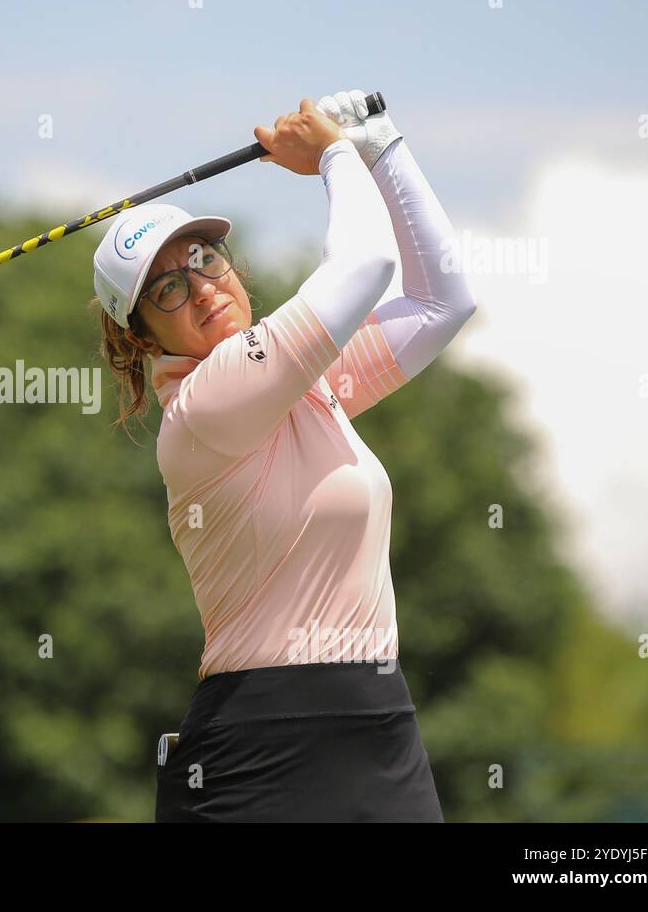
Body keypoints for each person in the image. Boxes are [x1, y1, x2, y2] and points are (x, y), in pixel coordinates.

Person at [91, 91, 477, 822]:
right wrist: (332, 155)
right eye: (168, 288)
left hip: (380, 726)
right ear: (142, 338)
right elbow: (366, 262)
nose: (201, 288)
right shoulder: (208, 402)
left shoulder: (310, 384)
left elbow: (443, 303)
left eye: (204, 258)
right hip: (261, 745)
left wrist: (382, 148)